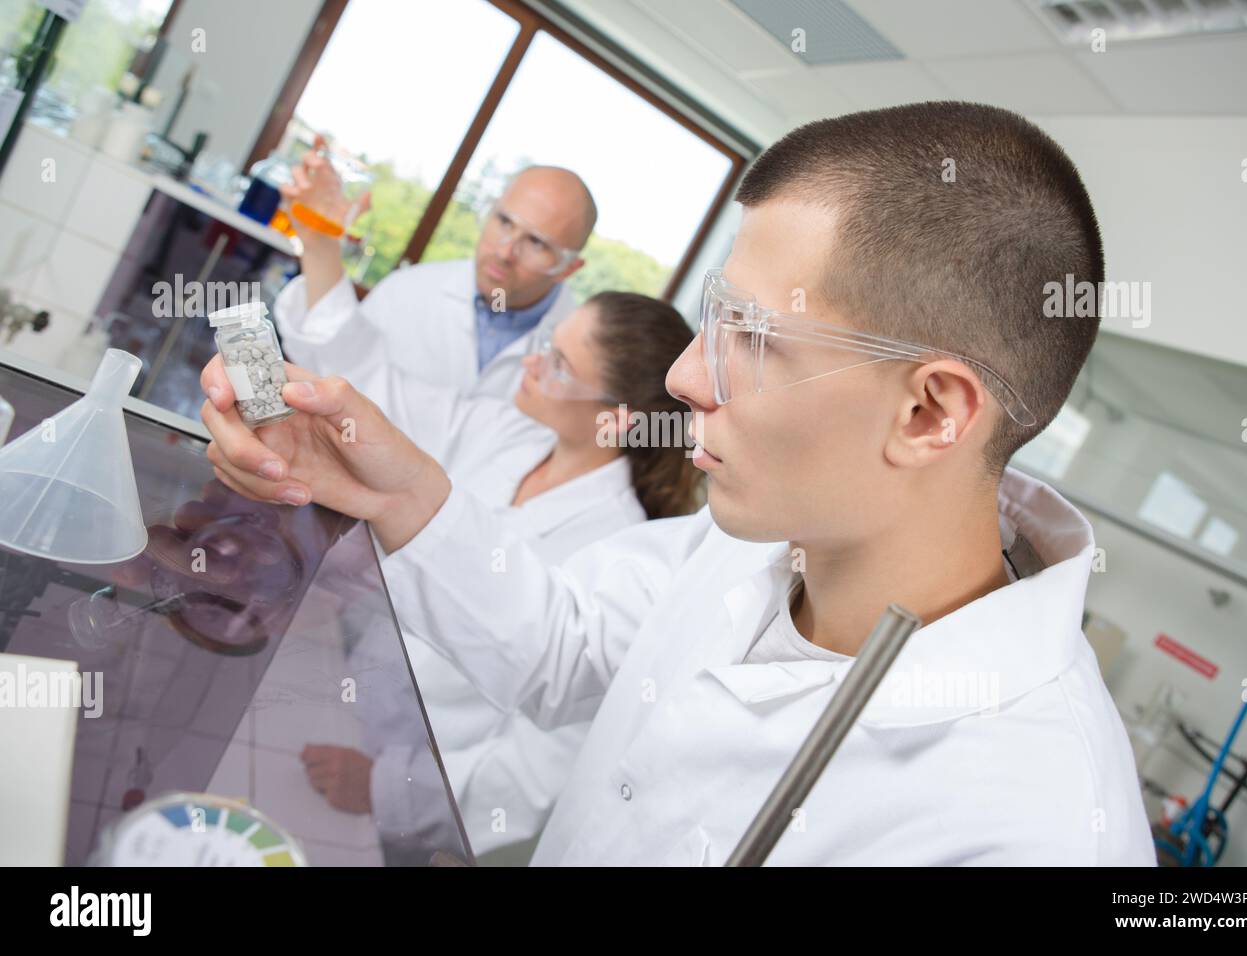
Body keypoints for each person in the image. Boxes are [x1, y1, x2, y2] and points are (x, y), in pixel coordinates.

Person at [200, 102, 1156, 866]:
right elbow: (560, 649)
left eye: (755, 338)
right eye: (711, 320)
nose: (685, 379)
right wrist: (384, 491)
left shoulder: (1044, 825)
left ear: (929, 414)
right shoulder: (745, 546)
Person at [208, 292, 700, 859]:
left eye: (559, 363)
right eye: (546, 343)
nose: (531, 362)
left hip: (393, 778)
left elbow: (535, 771)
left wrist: (386, 786)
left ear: (616, 422)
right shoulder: (506, 434)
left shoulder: (620, 553)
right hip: (337, 686)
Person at [273, 136, 597, 403]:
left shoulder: (582, 361)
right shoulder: (409, 290)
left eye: (537, 243)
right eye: (503, 222)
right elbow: (332, 366)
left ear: (568, 269)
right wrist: (320, 248)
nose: (505, 252)